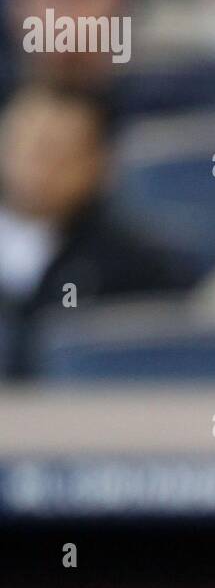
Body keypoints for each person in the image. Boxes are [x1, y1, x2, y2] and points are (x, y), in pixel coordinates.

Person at [0, 84, 196, 377]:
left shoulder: (138, 264)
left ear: (97, 163)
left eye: (57, 153)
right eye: (27, 146)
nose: (38, 166)